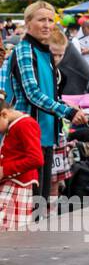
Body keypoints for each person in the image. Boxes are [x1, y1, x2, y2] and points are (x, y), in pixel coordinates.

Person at [1, 1, 86, 210]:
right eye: (41, 20)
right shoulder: (24, 50)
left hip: (45, 135)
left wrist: (69, 109)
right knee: (26, 203)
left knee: (41, 201)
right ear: (28, 23)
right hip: (25, 135)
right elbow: (32, 94)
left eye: (50, 20)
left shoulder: (45, 52)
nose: (47, 24)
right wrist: (68, 111)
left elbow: (50, 95)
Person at [0, 90, 44, 230]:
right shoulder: (13, 124)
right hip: (11, 182)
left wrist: (5, 170)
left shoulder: (25, 124)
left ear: (4, 114)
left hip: (19, 184)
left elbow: (36, 159)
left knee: (10, 229)